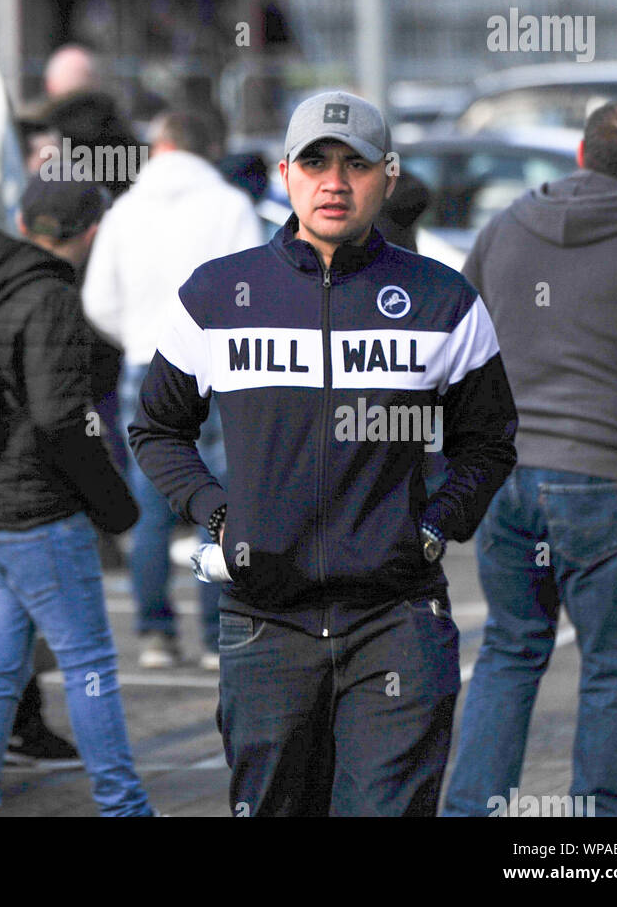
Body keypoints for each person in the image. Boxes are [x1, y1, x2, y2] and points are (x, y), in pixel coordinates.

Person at [129, 91, 517, 816]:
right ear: (285, 173)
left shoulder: (444, 300)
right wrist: (221, 518)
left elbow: (489, 441)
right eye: (315, 163)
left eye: (355, 164)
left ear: (388, 177)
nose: (334, 182)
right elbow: (156, 429)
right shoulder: (217, 295)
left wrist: (435, 527)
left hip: (397, 621)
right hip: (266, 624)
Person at [443, 100, 617, 818]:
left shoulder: (505, 227)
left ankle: (470, 808)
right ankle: (606, 819)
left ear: (580, 157)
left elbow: (461, 341)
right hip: (607, 478)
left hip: (507, 475)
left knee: (510, 653)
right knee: (614, 667)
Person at [0, 173, 153, 817]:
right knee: (89, 664)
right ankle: (125, 807)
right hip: (41, 513)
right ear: (90, 233)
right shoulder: (50, 296)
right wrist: (115, 507)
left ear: (20, 216)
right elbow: (62, 417)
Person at [83, 106, 265, 670]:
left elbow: (98, 300)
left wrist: (137, 339)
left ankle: (155, 633)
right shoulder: (232, 206)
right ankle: (218, 634)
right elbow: (252, 289)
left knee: (150, 502)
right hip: (218, 365)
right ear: (208, 148)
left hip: (147, 362)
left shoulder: (124, 211)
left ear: (160, 146)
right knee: (224, 497)